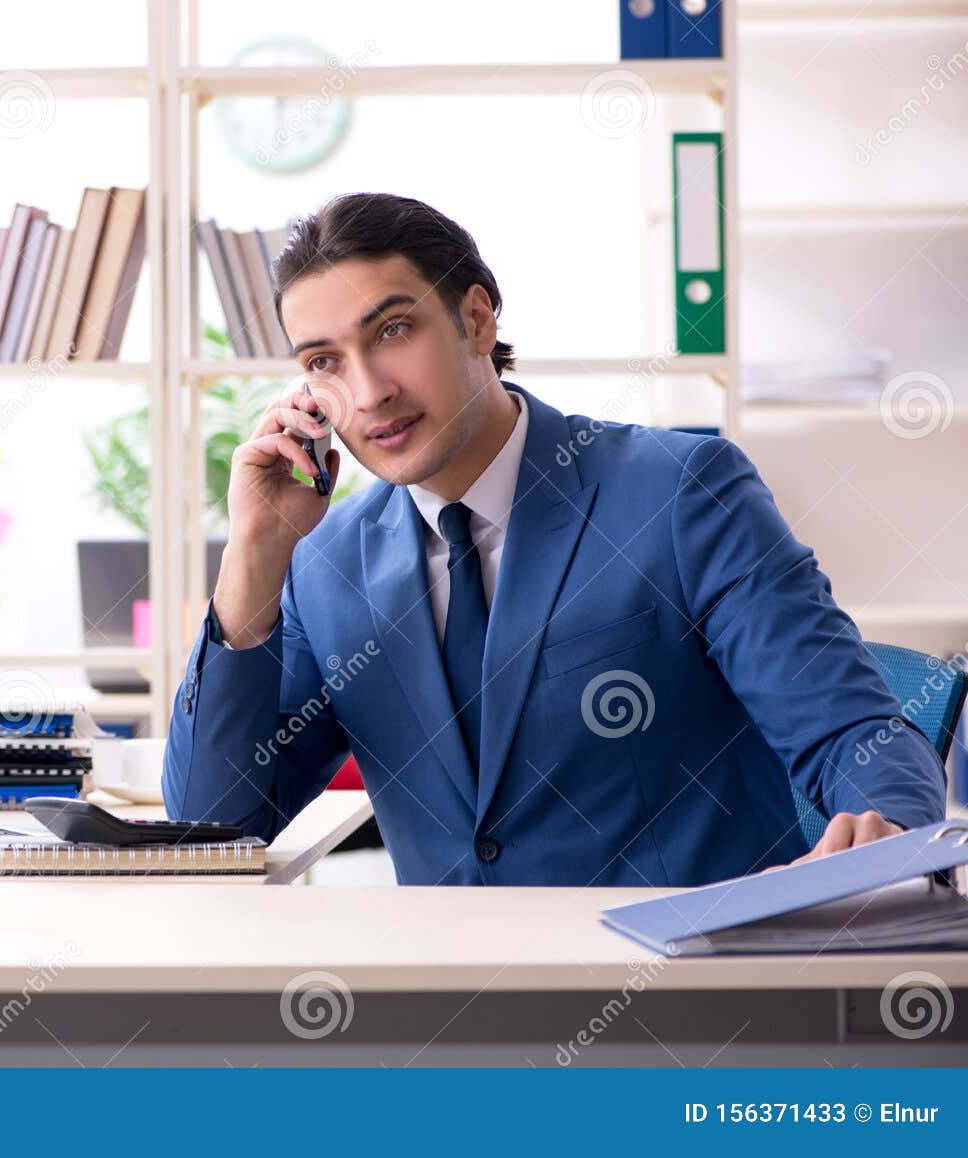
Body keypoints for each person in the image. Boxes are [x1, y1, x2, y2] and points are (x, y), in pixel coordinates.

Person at [163, 192, 945, 886]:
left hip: (683, 1011)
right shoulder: (328, 566)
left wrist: (887, 829)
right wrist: (253, 560)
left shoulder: (680, 492)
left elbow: (852, 729)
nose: (369, 392)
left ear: (475, 319)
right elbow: (212, 826)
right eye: (325, 362)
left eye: (394, 330)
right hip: (450, 1022)